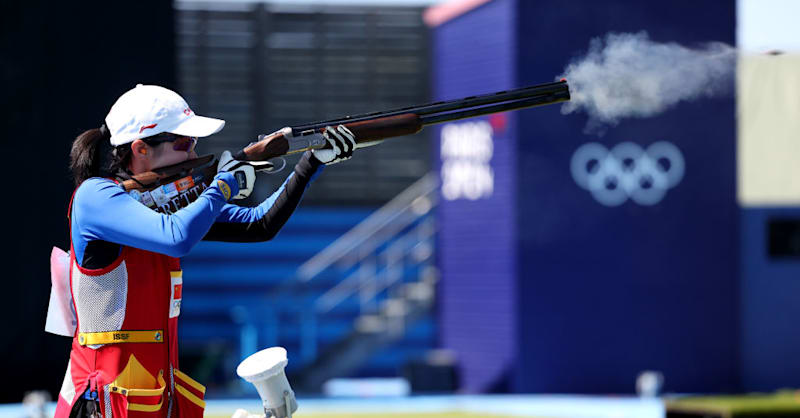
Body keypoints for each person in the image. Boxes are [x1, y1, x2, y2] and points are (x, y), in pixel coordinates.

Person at [54, 84, 356, 418]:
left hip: (151, 401)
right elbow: (176, 237)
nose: (192, 154)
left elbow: (260, 224)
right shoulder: (95, 197)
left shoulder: (164, 203)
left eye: (194, 144)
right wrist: (223, 186)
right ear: (140, 149)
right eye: (182, 144)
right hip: (102, 403)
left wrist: (310, 163)